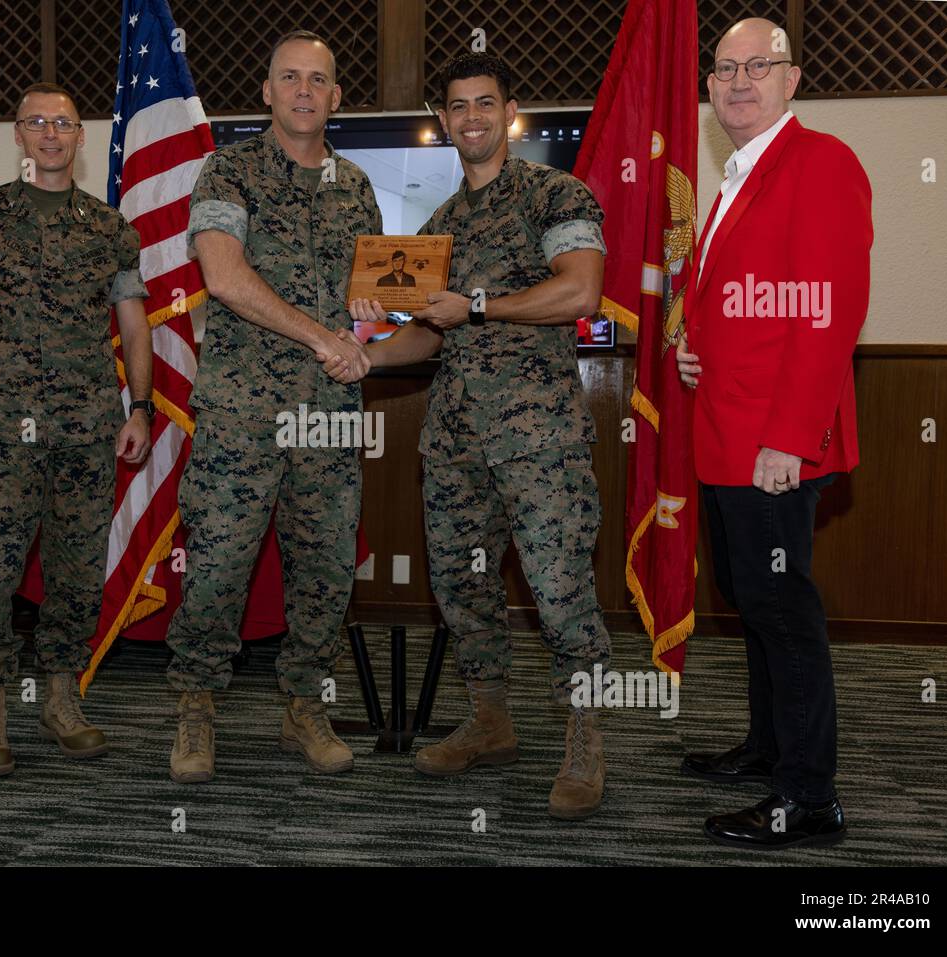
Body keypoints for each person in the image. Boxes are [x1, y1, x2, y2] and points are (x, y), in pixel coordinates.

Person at [340, 53, 610, 820]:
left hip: (539, 442)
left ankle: (585, 738)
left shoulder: (556, 192)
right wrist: (360, 354)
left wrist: (481, 304)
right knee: (463, 591)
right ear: (445, 120)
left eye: (484, 105)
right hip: (455, 443)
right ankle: (492, 719)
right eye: (457, 108)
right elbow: (426, 336)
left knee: (561, 597)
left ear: (510, 113)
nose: (471, 119)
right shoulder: (440, 228)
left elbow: (580, 292)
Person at [676, 18, 872, 848]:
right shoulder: (734, 178)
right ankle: (768, 747)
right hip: (729, 434)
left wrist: (789, 437)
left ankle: (809, 795)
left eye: (759, 65)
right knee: (752, 603)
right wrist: (700, 352)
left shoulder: (821, 162)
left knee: (784, 614)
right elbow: (757, 304)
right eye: (723, 68)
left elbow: (829, 316)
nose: (738, 80)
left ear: (793, 80)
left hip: (774, 448)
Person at [165, 30, 379, 784]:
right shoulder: (228, 171)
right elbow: (222, 276)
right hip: (241, 417)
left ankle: (304, 710)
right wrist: (324, 334)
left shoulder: (356, 185)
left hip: (330, 416)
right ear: (266, 90)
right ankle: (196, 708)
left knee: (324, 573)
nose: (303, 92)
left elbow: (369, 288)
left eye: (317, 80)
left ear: (335, 97)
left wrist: (371, 309)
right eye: (289, 77)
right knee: (218, 566)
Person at [0, 82, 153, 779]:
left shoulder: (111, 228)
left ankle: (62, 697)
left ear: (81, 136)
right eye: (37, 122)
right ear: (18, 133)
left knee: (77, 570)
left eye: (63, 123)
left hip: (88, 425)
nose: (51, 134)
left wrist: (141, 406)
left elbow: (132, 323)